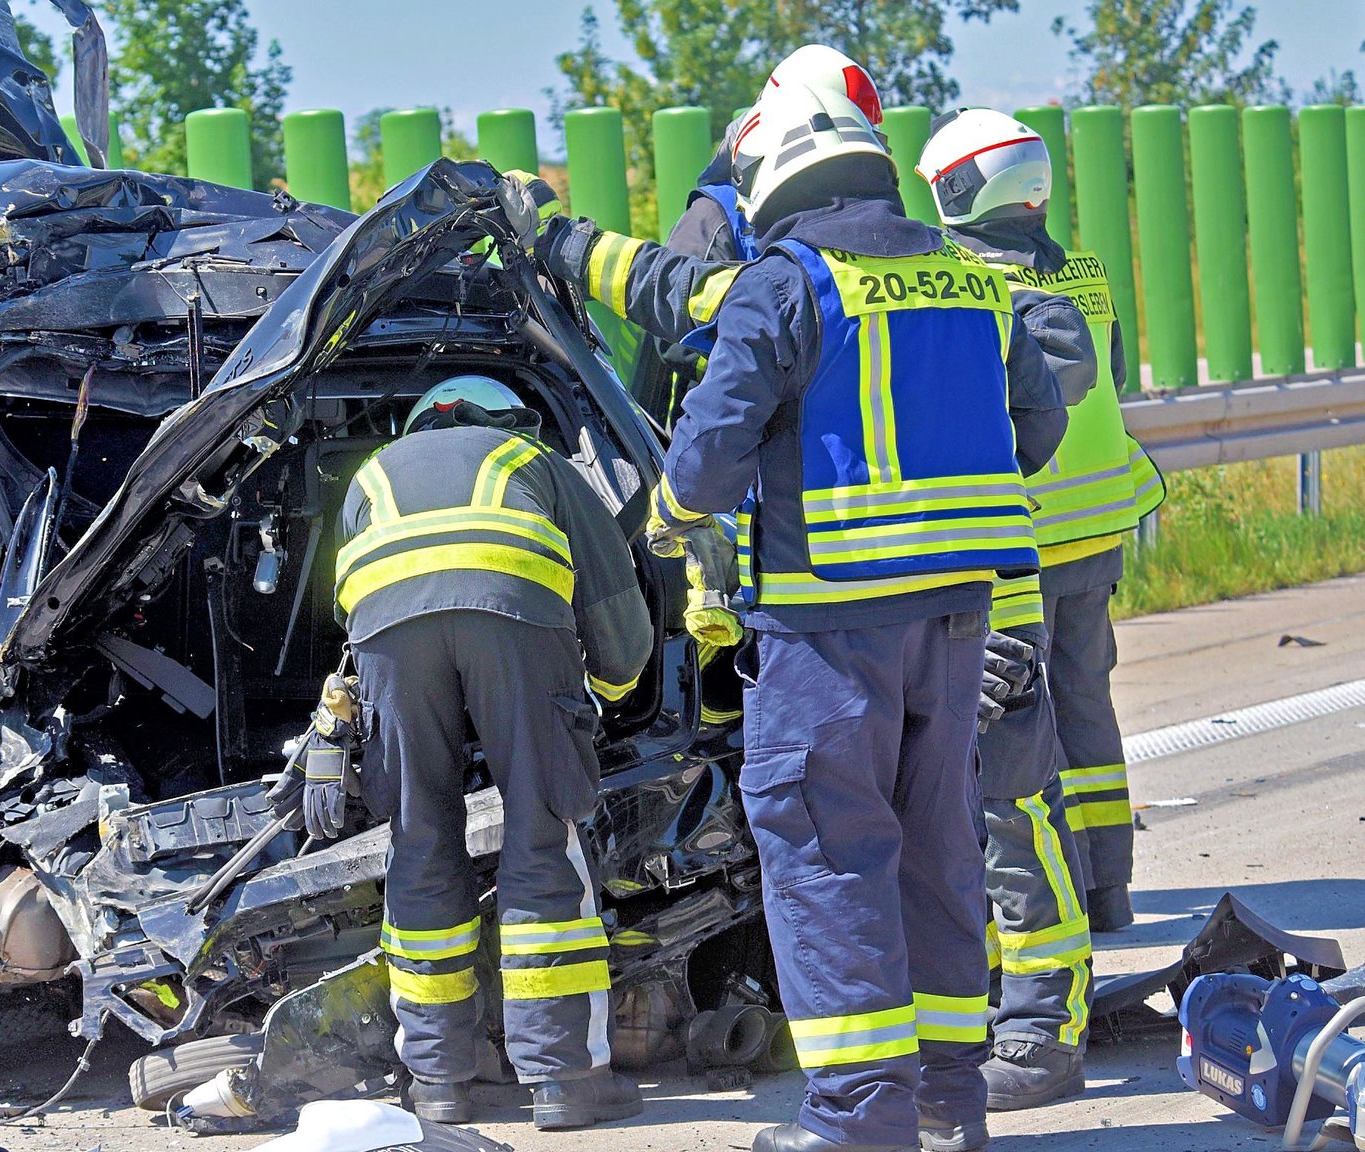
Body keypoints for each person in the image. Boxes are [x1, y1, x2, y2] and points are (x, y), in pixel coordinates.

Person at [519, 80, 1068, 1152]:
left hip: (827, 631)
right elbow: (1035, 433)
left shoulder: (788, 281)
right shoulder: (970, 277)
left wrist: (676, 522)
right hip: (957, 622)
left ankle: (858, 1122)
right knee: (936, 850)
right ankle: (950, 1106)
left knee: (827, 857)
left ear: (769, 180)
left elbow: (709, 451)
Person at [917, 107, 1166, 1112]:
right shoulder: (1076, 271)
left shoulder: (990, 284)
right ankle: (1103, 887)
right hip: (1095, 529)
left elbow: (1025, 397)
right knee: (1084, 718)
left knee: (1027, 755)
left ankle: (1063, 907)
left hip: (1034, 539)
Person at [325, 374, 655, 1131]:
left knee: (418, 841)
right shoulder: (531, 459)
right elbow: (614, 606)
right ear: (511, 418)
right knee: (541, 835)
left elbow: (349, 606)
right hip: (514, 616)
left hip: (388, 638)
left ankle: (441, 1082)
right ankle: (562, 1079)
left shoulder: (370, 475)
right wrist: (602, 686)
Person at [633, 44, 885, 426]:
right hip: (728, 443)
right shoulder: (716, 213)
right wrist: (771, 369)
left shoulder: (874, 215)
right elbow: (675, 334)